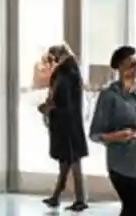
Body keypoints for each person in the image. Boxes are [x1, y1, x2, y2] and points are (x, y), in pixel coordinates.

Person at [89, 45, 136, 216]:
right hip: (122, 165)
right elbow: (95, 133)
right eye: (131, 64)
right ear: (120, 67)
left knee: (132, 210)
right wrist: (117, 136)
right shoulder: (109, 96)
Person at [39, 44, 88, 212]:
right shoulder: (71, 72)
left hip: (67, 125)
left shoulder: (66, 74)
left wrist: (49, 107)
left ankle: (75, 198)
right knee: (69, 162)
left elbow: (62, 100)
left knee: (70, 161)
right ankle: (60, 196)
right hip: (70, 124)